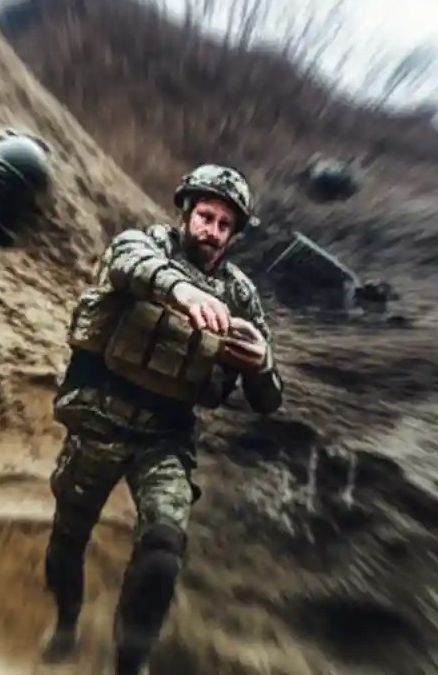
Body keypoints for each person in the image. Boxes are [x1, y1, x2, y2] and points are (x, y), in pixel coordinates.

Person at [42, 163, 285, 674]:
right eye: (205, 216)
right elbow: (128, 262)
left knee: (162, 550)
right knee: (68, 537)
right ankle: (66, 620)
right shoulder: (145, 243)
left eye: (224, 224)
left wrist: (261, 363)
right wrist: (184, 292)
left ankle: (129, 664)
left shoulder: (241, 296)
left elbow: (268, 400)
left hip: (165, 438)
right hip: (100, 420)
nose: (212, 230)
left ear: (233, 234)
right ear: (185, 213)